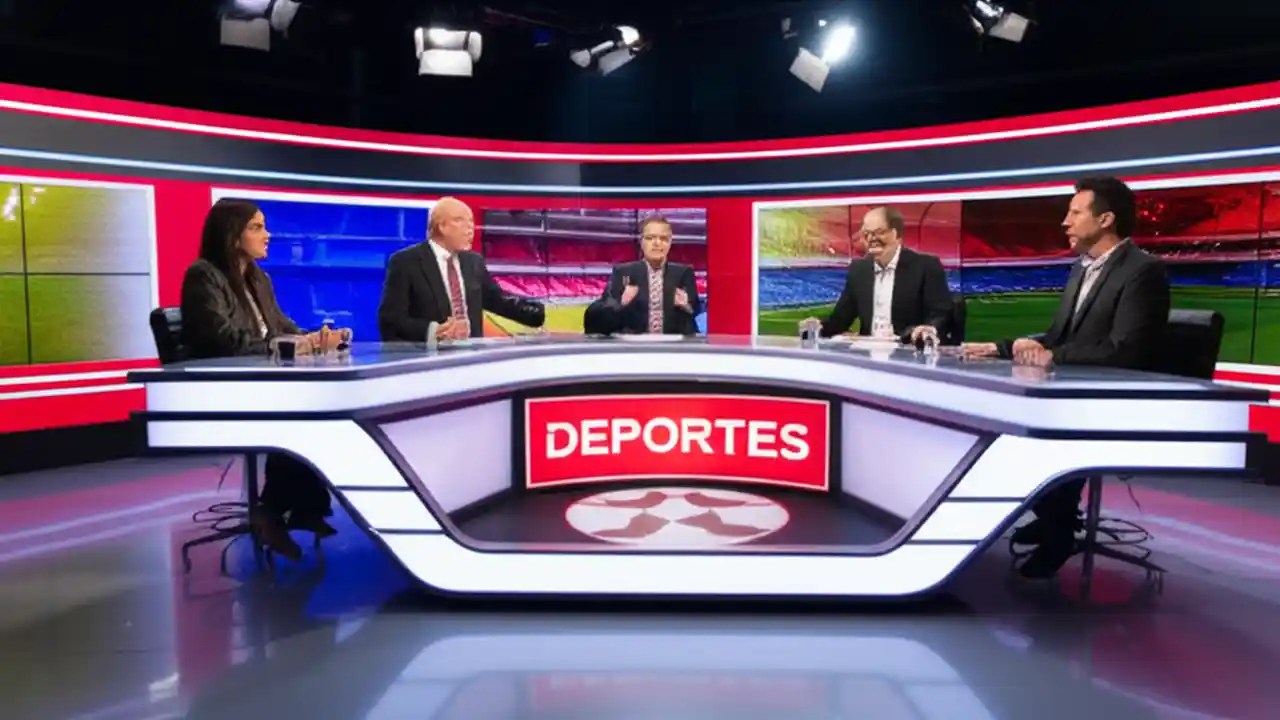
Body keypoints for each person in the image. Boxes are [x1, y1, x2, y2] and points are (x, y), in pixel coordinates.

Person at [965, 175, 1171, 578]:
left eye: (1075, 212)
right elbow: (1059, 336)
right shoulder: (1082, 268)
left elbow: (1124, 350)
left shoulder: (1143, 271)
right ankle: (1054, 512)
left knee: (1030, 436)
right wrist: (1004, 347)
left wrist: (1051, 356)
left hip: (1113, 399)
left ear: (1106, 219)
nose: (1065, 221)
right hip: (1073, 393)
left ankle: (1058, 527)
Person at [180, 198, 345, 561]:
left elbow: (281, 327)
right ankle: (273, 510)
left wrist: (316, 338)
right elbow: (223, 341)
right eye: (256, 227)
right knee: (299, 414)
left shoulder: (258, 277)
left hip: (259, 385)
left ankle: (298, 509)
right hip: (222, 391)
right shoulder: (204, 275)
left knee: (312, 408)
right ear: (231, 234)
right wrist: (289, 345)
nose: (267, 234)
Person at [377, 196, 545, 341]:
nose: (470, 228)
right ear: (441, 226)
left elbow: (496, 300)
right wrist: (433, 331)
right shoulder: (405, 262)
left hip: (471, 358)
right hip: (428, 363)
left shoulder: (473, 262)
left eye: (471, 221)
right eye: (459, 220)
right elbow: (391, 320)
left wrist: (534, 312)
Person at [806, 206, 952, 344]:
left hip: (908, 352)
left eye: (879, 232)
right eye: (866, 234)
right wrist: (817, 325)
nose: (871, 239)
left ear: (896, 234)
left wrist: (928, 329)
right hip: (868, 356)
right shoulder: (859, 270)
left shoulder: (926, 266)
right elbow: (840, 321)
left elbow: (941, 314)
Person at [593, 214, 703, 335]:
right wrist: (622, 303)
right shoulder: (623, 272)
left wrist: (686, 305)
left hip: (672, 346)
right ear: (641, 241)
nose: (657, 243)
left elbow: (697, 312)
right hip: (633, 347)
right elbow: (603, 315)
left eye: (663, 239)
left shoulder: (683, 273)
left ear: (670, 242)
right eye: (650, 238)